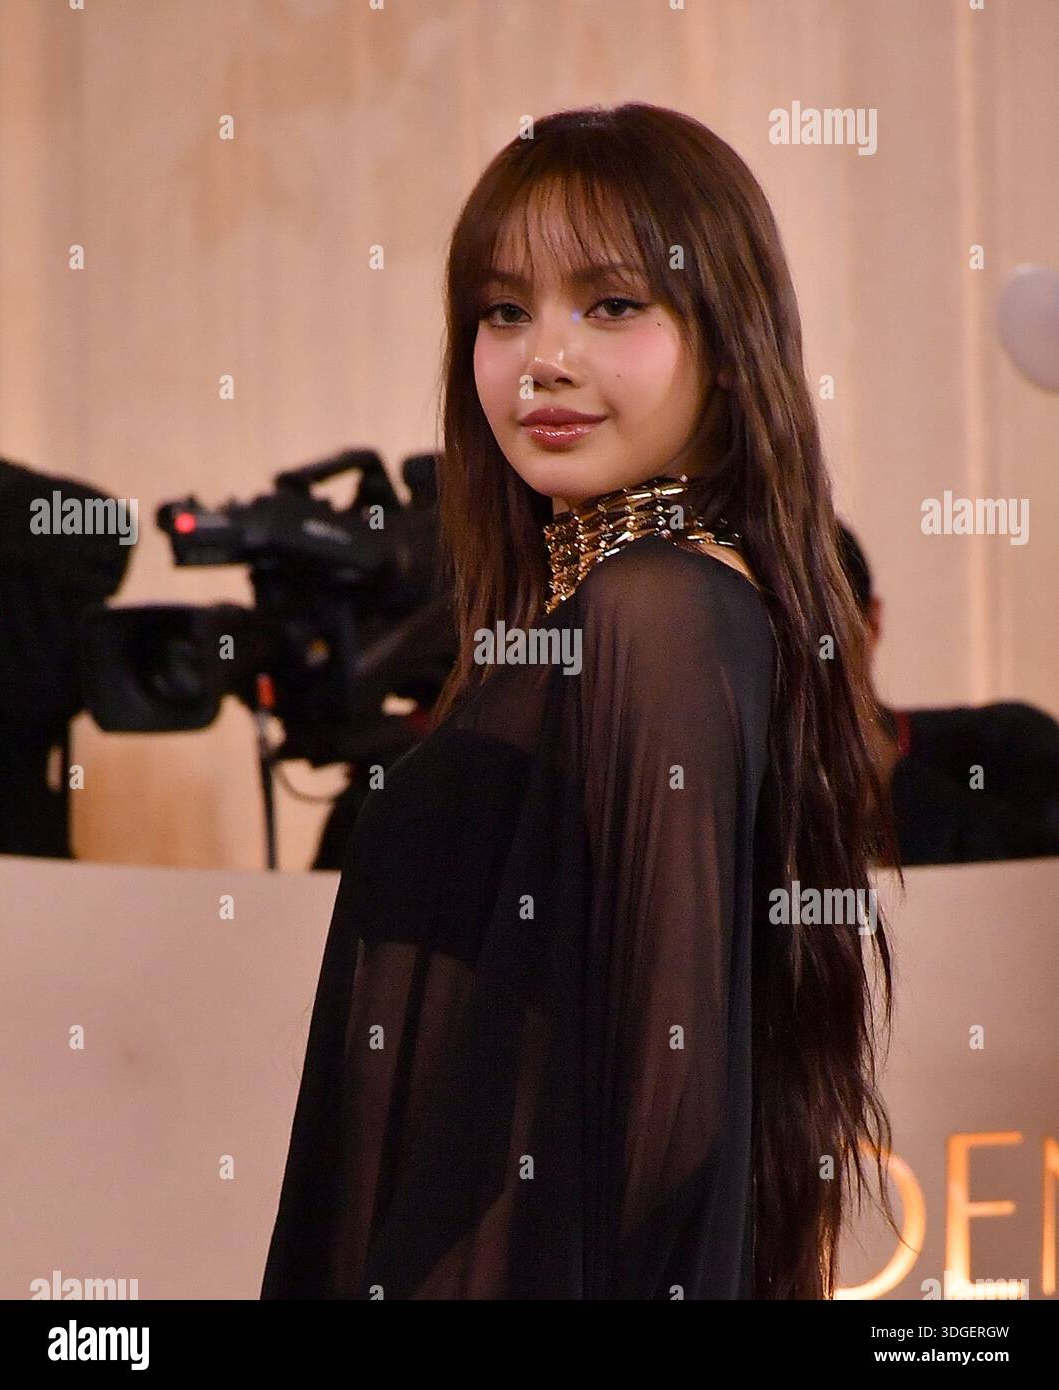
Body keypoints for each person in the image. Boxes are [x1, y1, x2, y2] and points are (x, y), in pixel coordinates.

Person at [260, 103, 900, 1301]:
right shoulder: (582, 626)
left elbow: (669, 1129)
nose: (539, 356)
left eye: (610, 304)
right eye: (502, 310)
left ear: (727, 332)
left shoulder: (657, 614)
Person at [836, 523, 1059, 865]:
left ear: (872, 621)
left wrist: (884, 781)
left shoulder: (1010, 746)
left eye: (826, 630)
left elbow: (1035, 887)